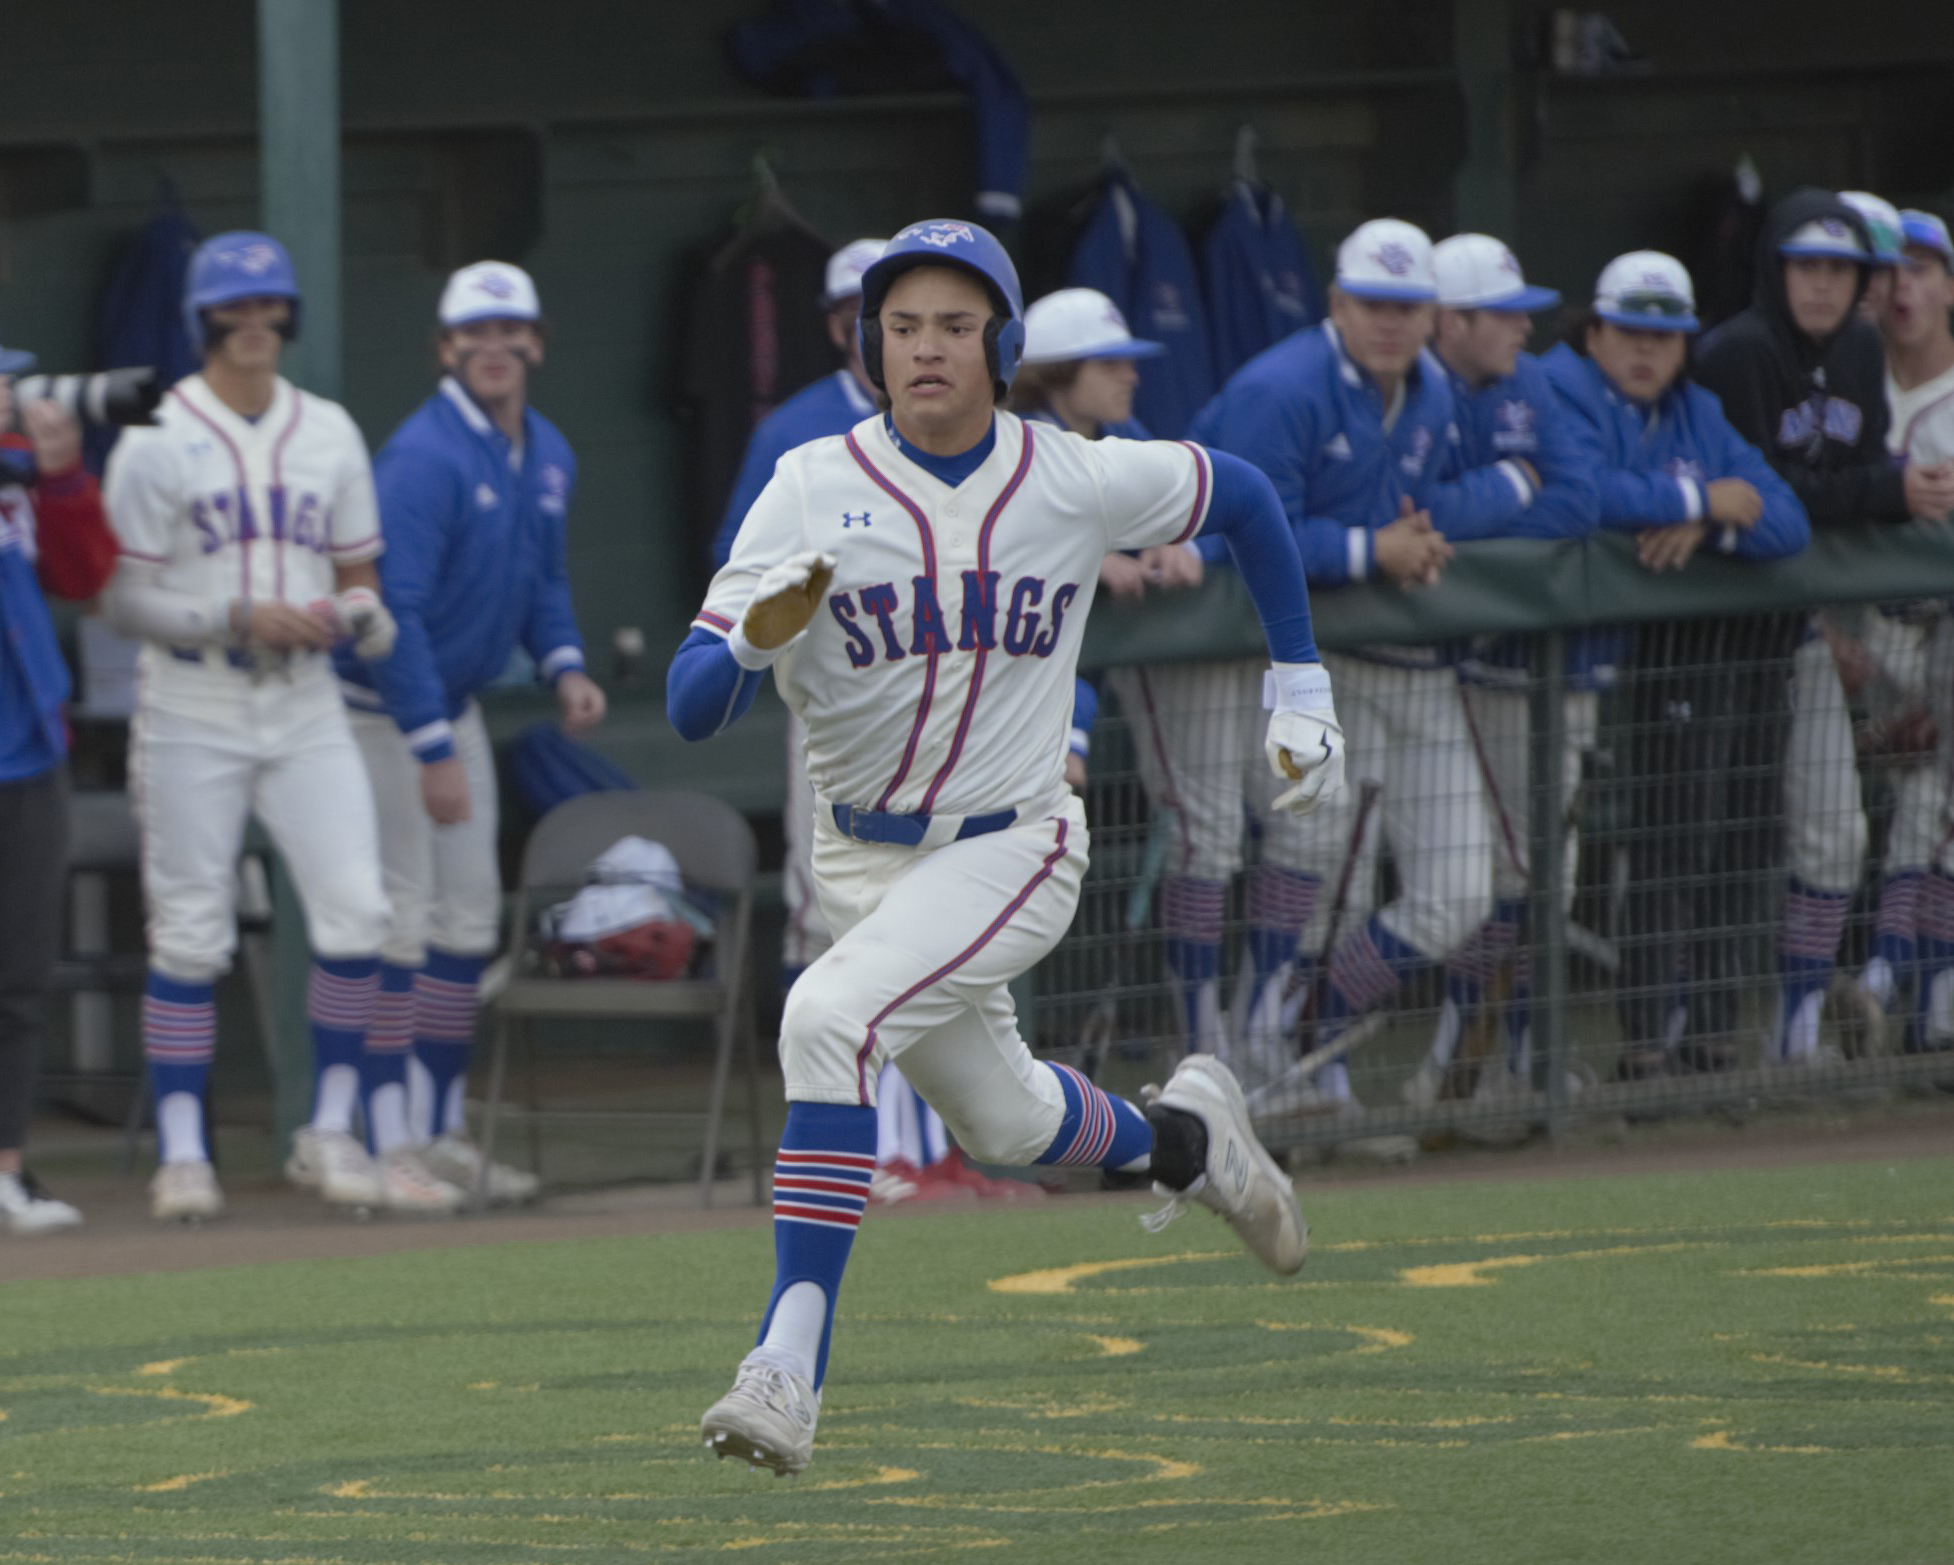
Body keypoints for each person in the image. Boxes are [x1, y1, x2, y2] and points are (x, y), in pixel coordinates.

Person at [668, 217, 1343, 1475]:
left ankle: (787, 1362)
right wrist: (749, 641)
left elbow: (1243, 496)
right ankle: (1197, 1145)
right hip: (861, 858)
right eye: (904, 325)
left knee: (822, 1019)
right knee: (1011, 1125)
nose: (926, 348)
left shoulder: (1067, 475)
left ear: (1004, 344)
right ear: (871, 344)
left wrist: (1296, 679)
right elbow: (689, 699)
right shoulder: (813, 481)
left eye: (956, 326)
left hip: (1014, 840)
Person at [1195, 219, 1540, 1132]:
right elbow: (1236, 530)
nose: (1389, 323)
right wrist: (1371, 549)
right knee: (1315, 867)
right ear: (1336, 304)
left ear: (1433, 316)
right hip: (1307, 663)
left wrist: (1432, 533)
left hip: (1417, 668)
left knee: (1464, 882)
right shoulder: (1281, 388)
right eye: (1371, 305)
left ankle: (1312, 1023)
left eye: (1407, 307)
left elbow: (1439, 503)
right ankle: (1280, 1068)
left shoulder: (1432, 389)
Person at [103, 232, 399, 1221]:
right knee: (190, 933)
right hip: (194, 695)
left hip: (306, 693)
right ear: (205, 321)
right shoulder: (155, 435)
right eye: (237, 309)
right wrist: (230, 614)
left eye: (270, 305)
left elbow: (358, 575)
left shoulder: (329, 431)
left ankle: (329, 1128)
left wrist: (356, 615)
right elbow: (120, 599)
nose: (256, 323)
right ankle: (184, 1152)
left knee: (357, 908)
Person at [340, 260, 605, 1206]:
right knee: (400, 924)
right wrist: (428, 745)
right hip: (382, 717)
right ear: (445, 350)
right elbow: (390, 612)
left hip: (454, 707)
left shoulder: (547, 450)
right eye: (473, 336)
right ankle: (387, 1142)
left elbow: (543, 581)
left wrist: (565, 663)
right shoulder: (422, 456)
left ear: (534, 341)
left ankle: (440, 1127)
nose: (494, 349)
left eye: (511, 332)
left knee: (465, 920)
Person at [1696, 190, 1954, 1068]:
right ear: (1777, 269)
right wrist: (1882, 493)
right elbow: (1766, 497)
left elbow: (1848, 481)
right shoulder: (1734, 355)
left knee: (1839, 831)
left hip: (1822, 637)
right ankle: (1687, 1038)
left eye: (1840, 270)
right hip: (1720, 640)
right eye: (1807, 266)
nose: (1824, 285)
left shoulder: (1855, 352)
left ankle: (1804, 1025)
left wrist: (1874, 493)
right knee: (1704, 842)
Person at [1539, 252, 1808, 1076]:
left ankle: (1685, 1034)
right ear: (1595, 332)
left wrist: (1710, 529)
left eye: (1666, 333)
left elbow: (1786, 523)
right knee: (1533, 879)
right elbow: (1584, 494)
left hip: (1628, 672)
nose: (1648, 349)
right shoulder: (1557, 385)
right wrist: (1698, 499)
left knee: (1713, 835)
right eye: (1630, 330)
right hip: (1541, 671)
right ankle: (1542, 1059)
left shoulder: (1698, 410)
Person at [1410, 233, 1601, 1106]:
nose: (1523, 329)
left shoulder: (1530, 382)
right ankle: (1445, 1065)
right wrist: (1514, 487)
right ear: (1450, 320)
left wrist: (1500, 498)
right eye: (1503, 315)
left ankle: (1505, 1062)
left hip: (1516, 667)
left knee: (1534, 878)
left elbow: (1579, 500)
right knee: (1476, 882)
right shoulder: (1414, 388)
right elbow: (1418, 515)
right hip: (1442, 669)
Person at [713, 239, 885, 997]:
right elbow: (734, 559)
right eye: (856, 313)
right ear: (835, 325)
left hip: (941, 684)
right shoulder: (792, 428)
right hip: (831, 689)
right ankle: (818, 1086)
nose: (873, 329)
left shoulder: (958, 417)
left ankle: (909, 1099)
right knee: (820, 893)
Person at [0, 339, 117, 1234]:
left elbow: (84, 578)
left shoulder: (22, 487)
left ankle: (9, 1168)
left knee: (20, 975)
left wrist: (64, 473)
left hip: (30, 752)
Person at [1845, 210, 1954, 1052]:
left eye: (1925, 268)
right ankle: (1908, 995)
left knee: (1930, 800)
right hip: (1857, 640)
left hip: (1943, 640)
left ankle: (1898, 985)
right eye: (1895, 270)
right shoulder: (1845, 384)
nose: (1906, 286)